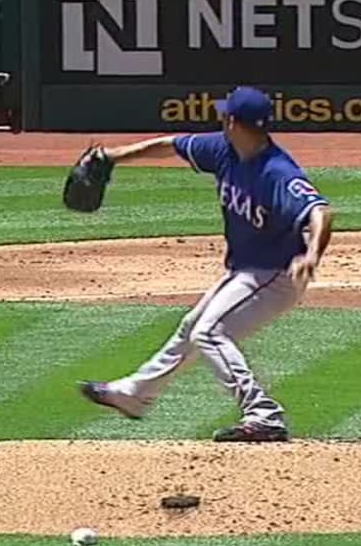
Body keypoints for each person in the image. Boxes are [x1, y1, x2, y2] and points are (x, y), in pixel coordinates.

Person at [78, 86, 333, 443]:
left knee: (209, 333)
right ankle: (135, 393)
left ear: (232, 121)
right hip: (245, 271)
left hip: (275, 275)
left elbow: (321, 211)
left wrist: (312, 255)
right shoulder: (223, 149)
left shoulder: (277, 171)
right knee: (192, 327)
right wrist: (114, 156)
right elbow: (171, 145)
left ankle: (264, 415)